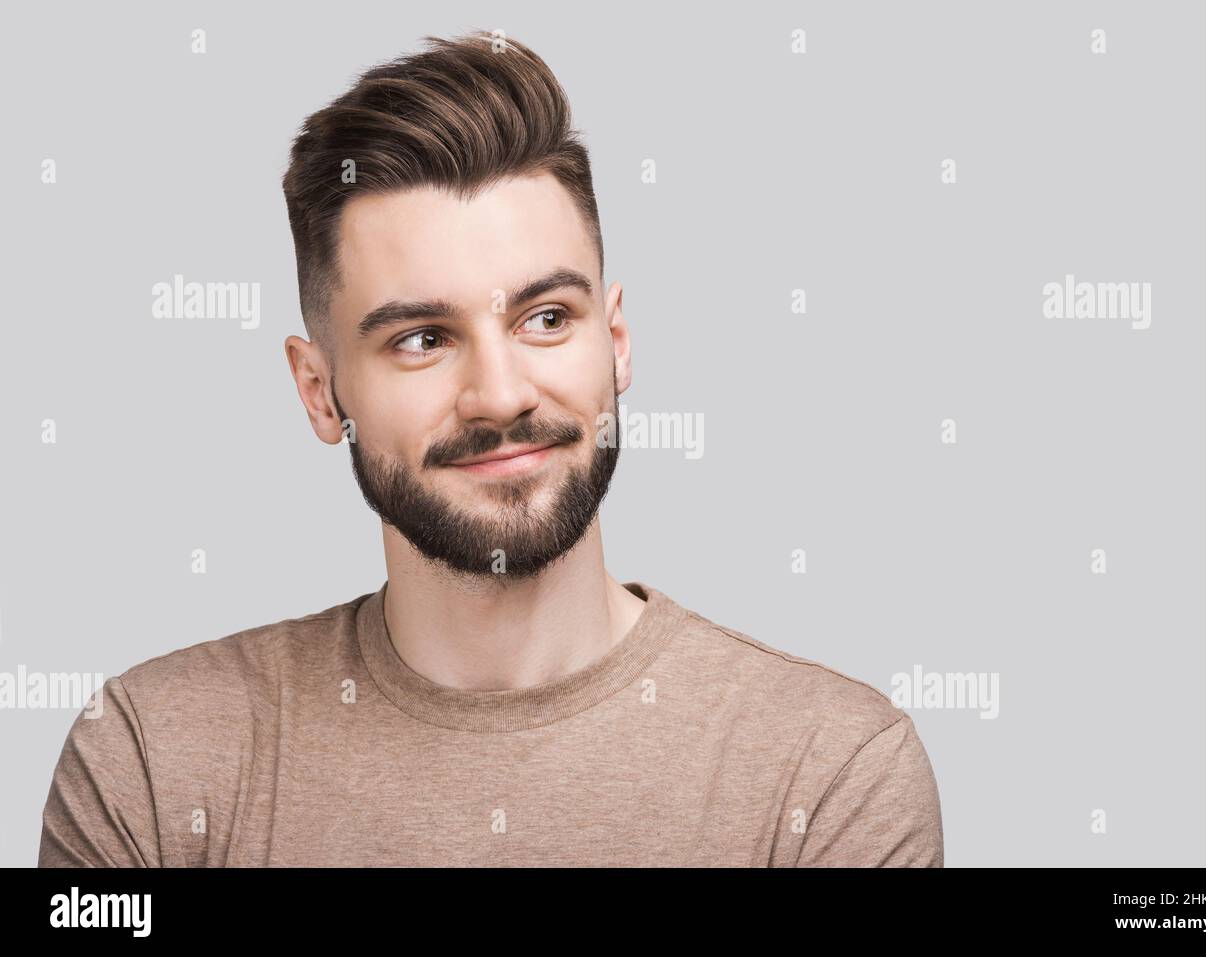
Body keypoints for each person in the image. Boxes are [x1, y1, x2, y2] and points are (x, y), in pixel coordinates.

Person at [38, 30, 943, 867]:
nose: (502, 394)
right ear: (320, 390)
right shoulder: (153, 763)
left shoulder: (829, 775)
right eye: (423, 339)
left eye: (547, 318)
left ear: (616, 341)